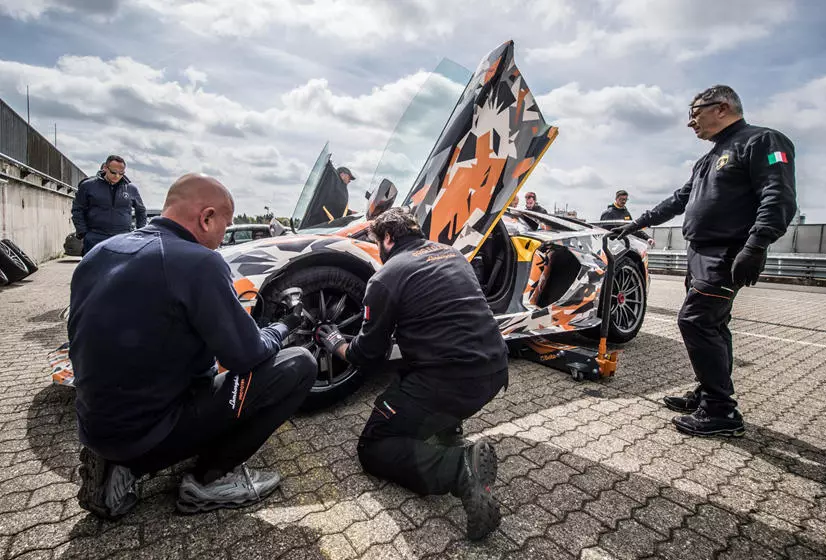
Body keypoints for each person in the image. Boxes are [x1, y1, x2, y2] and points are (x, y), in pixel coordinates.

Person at [69, 173, 317, 519]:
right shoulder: (199, 262)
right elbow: (245, 355)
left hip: (97, 423)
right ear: (207, 217)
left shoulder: (100, 252)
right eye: (224, 226)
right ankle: (208, 481)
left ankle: (118, 464)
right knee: (299, 363)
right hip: (150, 429)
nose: (222, 238)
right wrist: (284, 326)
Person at [314, 208, 509, 541]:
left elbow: (366, 355)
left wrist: (334, 342)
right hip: (494, 371)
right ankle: (446, 427)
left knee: (373, 447)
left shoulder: (387, 276)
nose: (379, 251)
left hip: (451, 382)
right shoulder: (452, 255)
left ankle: (460, 468)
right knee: (415, 373)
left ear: (388, 238)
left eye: (378, 243)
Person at [614, 85, 796, 437]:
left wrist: (756, 245)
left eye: (694, 112)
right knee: (713, 325)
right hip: (700, 252)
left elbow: (778, 195)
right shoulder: (710, 156)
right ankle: (706, 392)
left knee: (696, 322)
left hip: (727, 253)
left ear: (722, 107)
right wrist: (639, 222)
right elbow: (681, 198)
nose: (690, 122)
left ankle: (721, 410)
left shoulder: (763, 141)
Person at [71, 155, 147, 255]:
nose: (117, 176)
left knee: (121, 270)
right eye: (113, 172)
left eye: (121, 173)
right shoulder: (88, 186)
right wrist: (83, 233)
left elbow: (141, 210)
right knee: (93, 269)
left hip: (123, 238)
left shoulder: (131, 188)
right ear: (105, 168)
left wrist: (140, 233)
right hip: (95, 237)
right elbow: (77, 209)